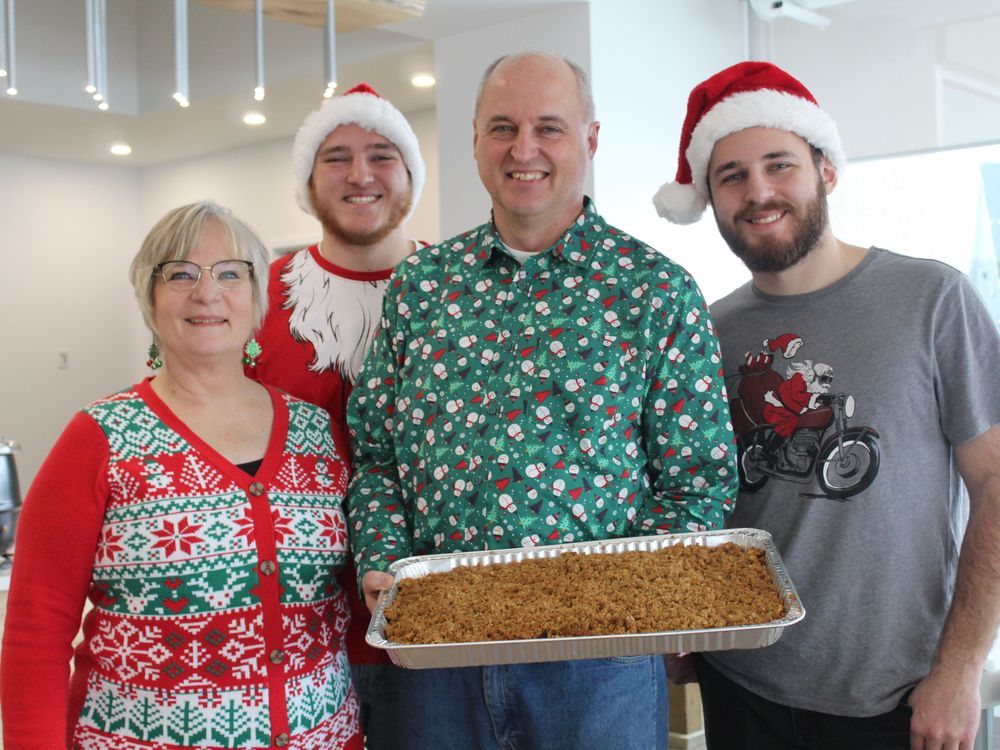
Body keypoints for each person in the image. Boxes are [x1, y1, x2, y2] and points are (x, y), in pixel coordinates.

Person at [347, 51, 738, 750]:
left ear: (590, 140)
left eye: (548, 128)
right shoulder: (421, 287)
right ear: (473, 141)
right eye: (502, 127)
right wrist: (381, 554)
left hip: (598, 668)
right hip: (439, 651)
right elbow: (375, 453)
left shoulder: (655, 291)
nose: (523, 149)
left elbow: (698, 483)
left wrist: (612, 607)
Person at [654, 60, 1000, 750]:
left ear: (826, 171)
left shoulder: (932, 299)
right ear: (712, 199)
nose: (759, 192)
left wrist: (960, 669)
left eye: (779, 165)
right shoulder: (707, 332)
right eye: (732, 176)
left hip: (900, 697)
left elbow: (994, 482)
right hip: (741, 685)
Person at [0, 201, 361, 749]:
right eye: (180, 273)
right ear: (149, 296)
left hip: (327, 736)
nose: (207, 293)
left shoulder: (318, 433)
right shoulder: (99, 439)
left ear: (258, 295)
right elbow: (35, 631)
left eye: (230, 273)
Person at [248, 82, 426, 750]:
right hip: (296, 634)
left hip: (433, 632)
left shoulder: (464, 293)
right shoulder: (252, 300)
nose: (360, 174)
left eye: (381, 155)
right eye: (337, 157)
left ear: (410, 174)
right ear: (307, 180)